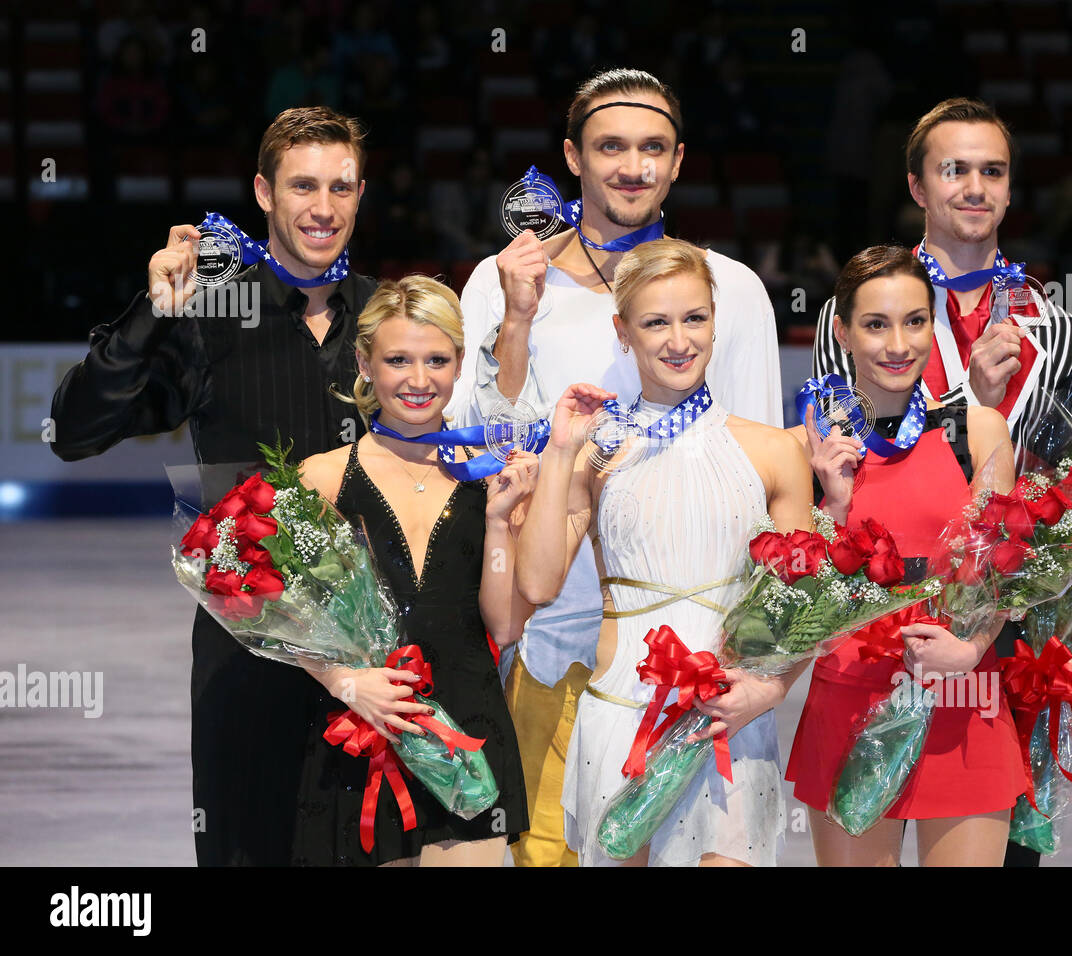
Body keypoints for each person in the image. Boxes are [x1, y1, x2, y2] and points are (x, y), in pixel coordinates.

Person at [446, 67, 783, 867]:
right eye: (610, 146)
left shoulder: (730, 288)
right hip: (549, 642)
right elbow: (467, 447)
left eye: (652, 147)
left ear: (677, 162)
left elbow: (762, 485)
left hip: (701, 661)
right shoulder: (502, 283)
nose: (632, 165)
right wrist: (517, 323)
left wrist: (754, 661)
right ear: (573, 155)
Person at [49, 106, 376, 866]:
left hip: (375, 658)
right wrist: (153, 312)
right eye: (303, 186)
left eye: (341, 186)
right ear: (263, 192)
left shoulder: (387, 319)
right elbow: (72, 432)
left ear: (362, 194)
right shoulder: (210, 317)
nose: (323, 208)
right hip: (246, 658)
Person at [809, 102, 1072, 864]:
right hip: (880, 638)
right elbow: (836, 476)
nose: (974, 187)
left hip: (1009, 642)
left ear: (1010, 191)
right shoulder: (861, 311)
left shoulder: (1052, 323)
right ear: (917, 184)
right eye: (954, 169)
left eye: (993, 171)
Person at [514, 238, 811, 866]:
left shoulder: (774, 451)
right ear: (623, 332)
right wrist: (563, 453)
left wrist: (769, 691)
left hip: (730, 717)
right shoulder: (598, 450)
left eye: (694, 318)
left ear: (714, 321)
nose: (679, 340)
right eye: (655, 322)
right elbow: (538, 584)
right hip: (621, 716)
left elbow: (803, 608)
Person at [788, 245, 1024, 866]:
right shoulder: (807, 448)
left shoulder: (980, 431)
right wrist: (831, 509)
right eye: (876, 324)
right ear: (841, 332)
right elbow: (788, 605)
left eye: (915, 321)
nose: (898, 344)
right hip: (849, 701)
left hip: (963, 697)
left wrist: (971, 649)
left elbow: (998, 571)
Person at [293, 275, 536, 866]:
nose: (419, 380)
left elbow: (503, 628)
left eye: (437, 360)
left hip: (467, 736)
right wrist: (345, 683)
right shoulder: (321, 477)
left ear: (458, 366)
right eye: (398, 359)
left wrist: (502, 522)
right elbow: (291, 619)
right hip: (362, 730)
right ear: (364, 362)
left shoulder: (489, 477)